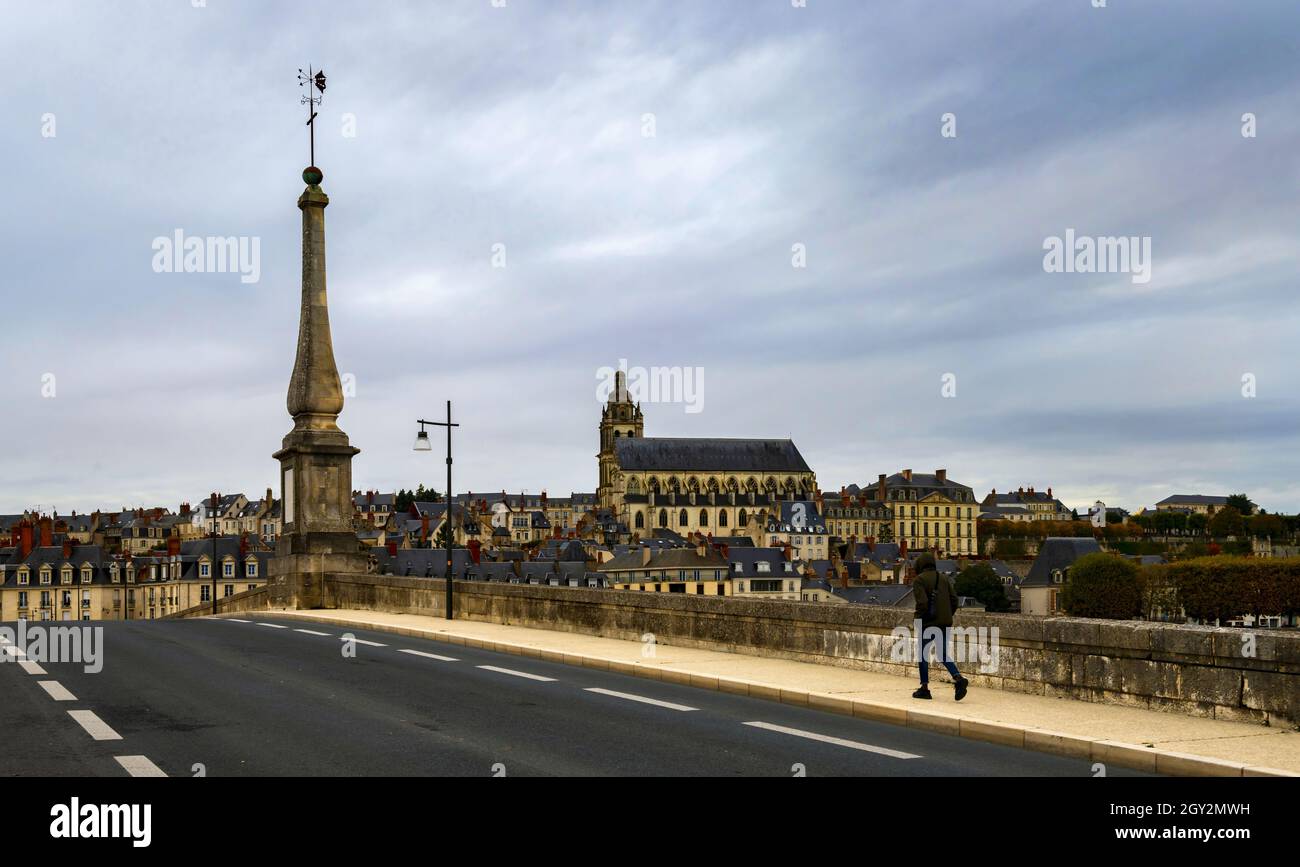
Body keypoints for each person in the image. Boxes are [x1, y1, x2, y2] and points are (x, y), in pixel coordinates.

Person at [910, 552, 969, 701]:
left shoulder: (919, 580)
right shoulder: (943, 578)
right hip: (945, 622)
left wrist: (917, 619)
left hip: (928, 623)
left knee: (923, 655)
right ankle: (958, 678)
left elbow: (922, 603)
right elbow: (954, 600)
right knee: (942, 654)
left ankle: (924, 688)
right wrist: (947, 615)